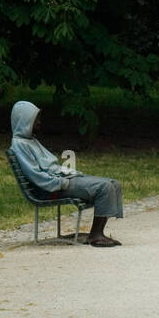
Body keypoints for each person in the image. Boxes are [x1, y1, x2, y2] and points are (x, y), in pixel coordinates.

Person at [10, 100, 123, 247]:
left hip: (61, 180)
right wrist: (63, 182)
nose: (39, 122)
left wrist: (69, 173)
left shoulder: (30, 141)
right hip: (52, 188)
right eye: (35, 119)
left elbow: (51, 166)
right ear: (24, 121)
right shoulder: (20, 145)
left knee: (114, 184)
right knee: (104, 187)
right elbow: (36, 175)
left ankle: (98, 232)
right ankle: (96, 236)